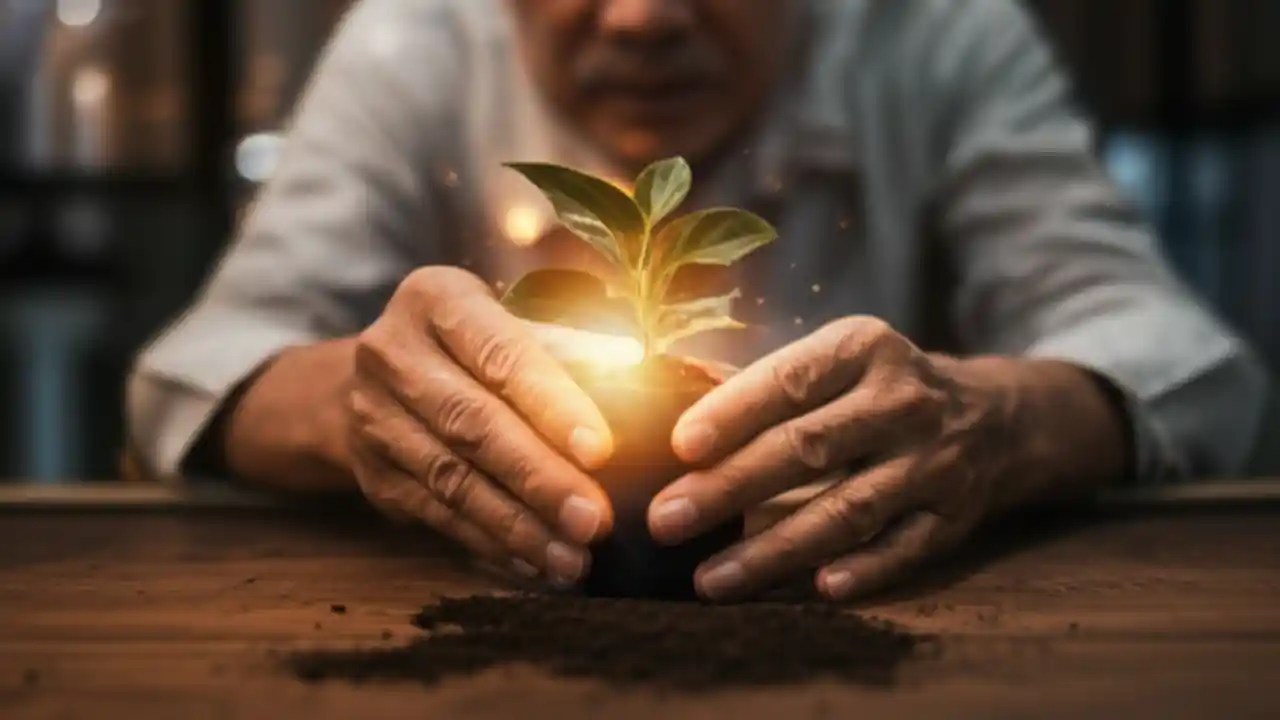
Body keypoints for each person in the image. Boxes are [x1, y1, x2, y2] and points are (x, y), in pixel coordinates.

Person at [127, 0, 1268, 602]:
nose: (641, 16)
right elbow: (194, 372)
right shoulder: (409, 43)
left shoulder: (934, 35)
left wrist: (994, 423)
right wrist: (361, 404)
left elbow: (1182, 361)